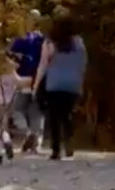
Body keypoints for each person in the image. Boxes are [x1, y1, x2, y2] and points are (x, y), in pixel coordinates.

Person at [33, 15, 87, 161]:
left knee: (54, 117)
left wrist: (36, 85)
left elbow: (43, 66)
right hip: (72, 85)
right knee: (67, 114)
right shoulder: (79, 43)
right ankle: (68, 140)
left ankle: (56, 150)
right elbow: (83, 64)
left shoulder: (50, 43)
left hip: (55, 84)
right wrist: (80, 82)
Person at [8, 11, 47, 154]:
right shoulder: (43, 41)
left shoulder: (20, 40)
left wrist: (13, 75)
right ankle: (35, 141)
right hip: (39, 80)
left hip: (23, 79)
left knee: (18, 110)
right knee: (36, 112)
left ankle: (26, 132)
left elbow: (11, 59)